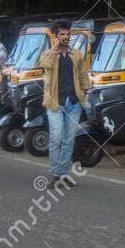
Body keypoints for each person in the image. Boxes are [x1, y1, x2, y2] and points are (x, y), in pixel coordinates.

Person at [35, 19, 91, 184]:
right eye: (62, 34)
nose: (66, 37)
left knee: (68, 140)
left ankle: (63, 173)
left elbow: (83, 75)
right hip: (54, 103)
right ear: (55, 36)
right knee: (56, 137)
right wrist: (55, 47)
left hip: (73, 102)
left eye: (67, 34)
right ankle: (55, 173)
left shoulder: (77, 54)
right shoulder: (47, 53)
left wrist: (84, 92)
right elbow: (46, 65)